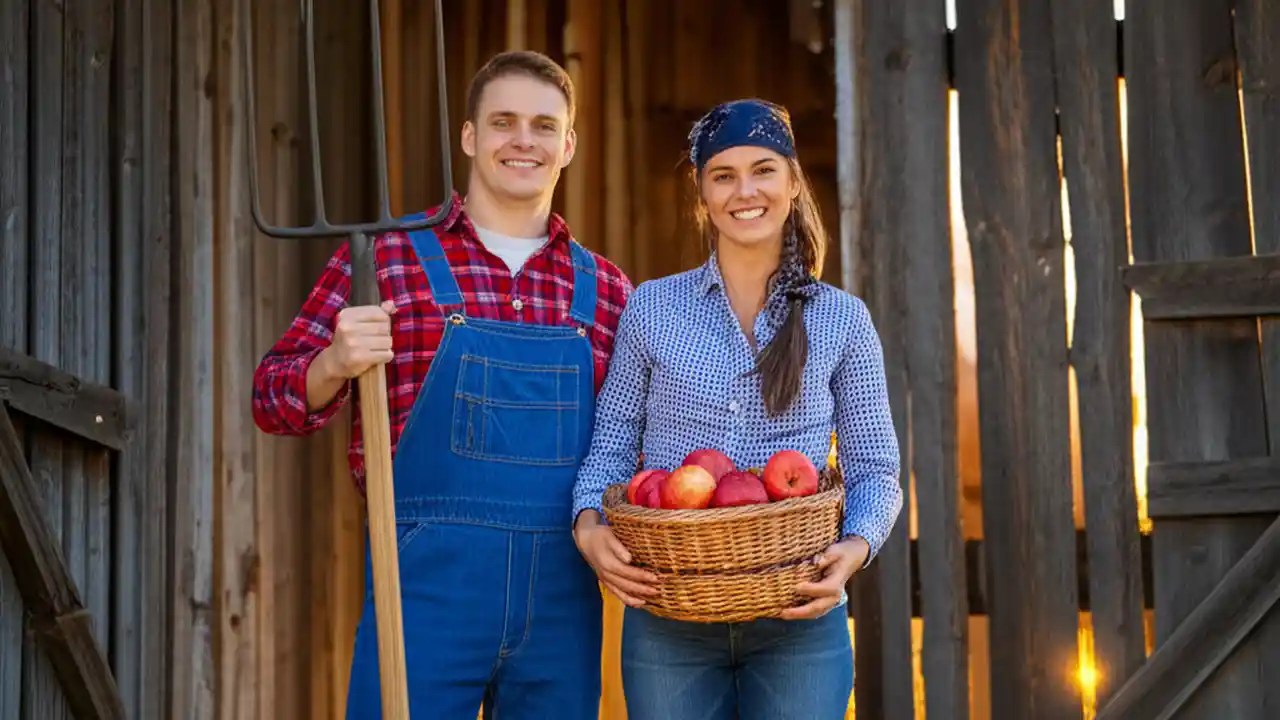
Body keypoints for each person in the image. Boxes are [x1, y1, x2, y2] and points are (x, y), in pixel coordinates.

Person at [251, 50, 633, 720]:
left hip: (561, 609)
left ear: (567, 145)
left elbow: (633, 443)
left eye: (544, 126)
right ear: (468, 136)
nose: (523, 140)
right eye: (503, 121)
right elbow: (271, 397)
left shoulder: (606, 292)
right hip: (421, 599)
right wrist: (332, 363)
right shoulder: (386, 259)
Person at [570, 98, 904, 719]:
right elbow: (613, 441)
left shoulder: (841, 319)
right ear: (701, 193)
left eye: (763, 170)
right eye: (723, 175)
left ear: (793, 181)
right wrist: (589, 523)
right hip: (672, 614)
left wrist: (853, 549)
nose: (744, 191)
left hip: (798, 614)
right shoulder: (653, 308)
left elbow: (876, 468)